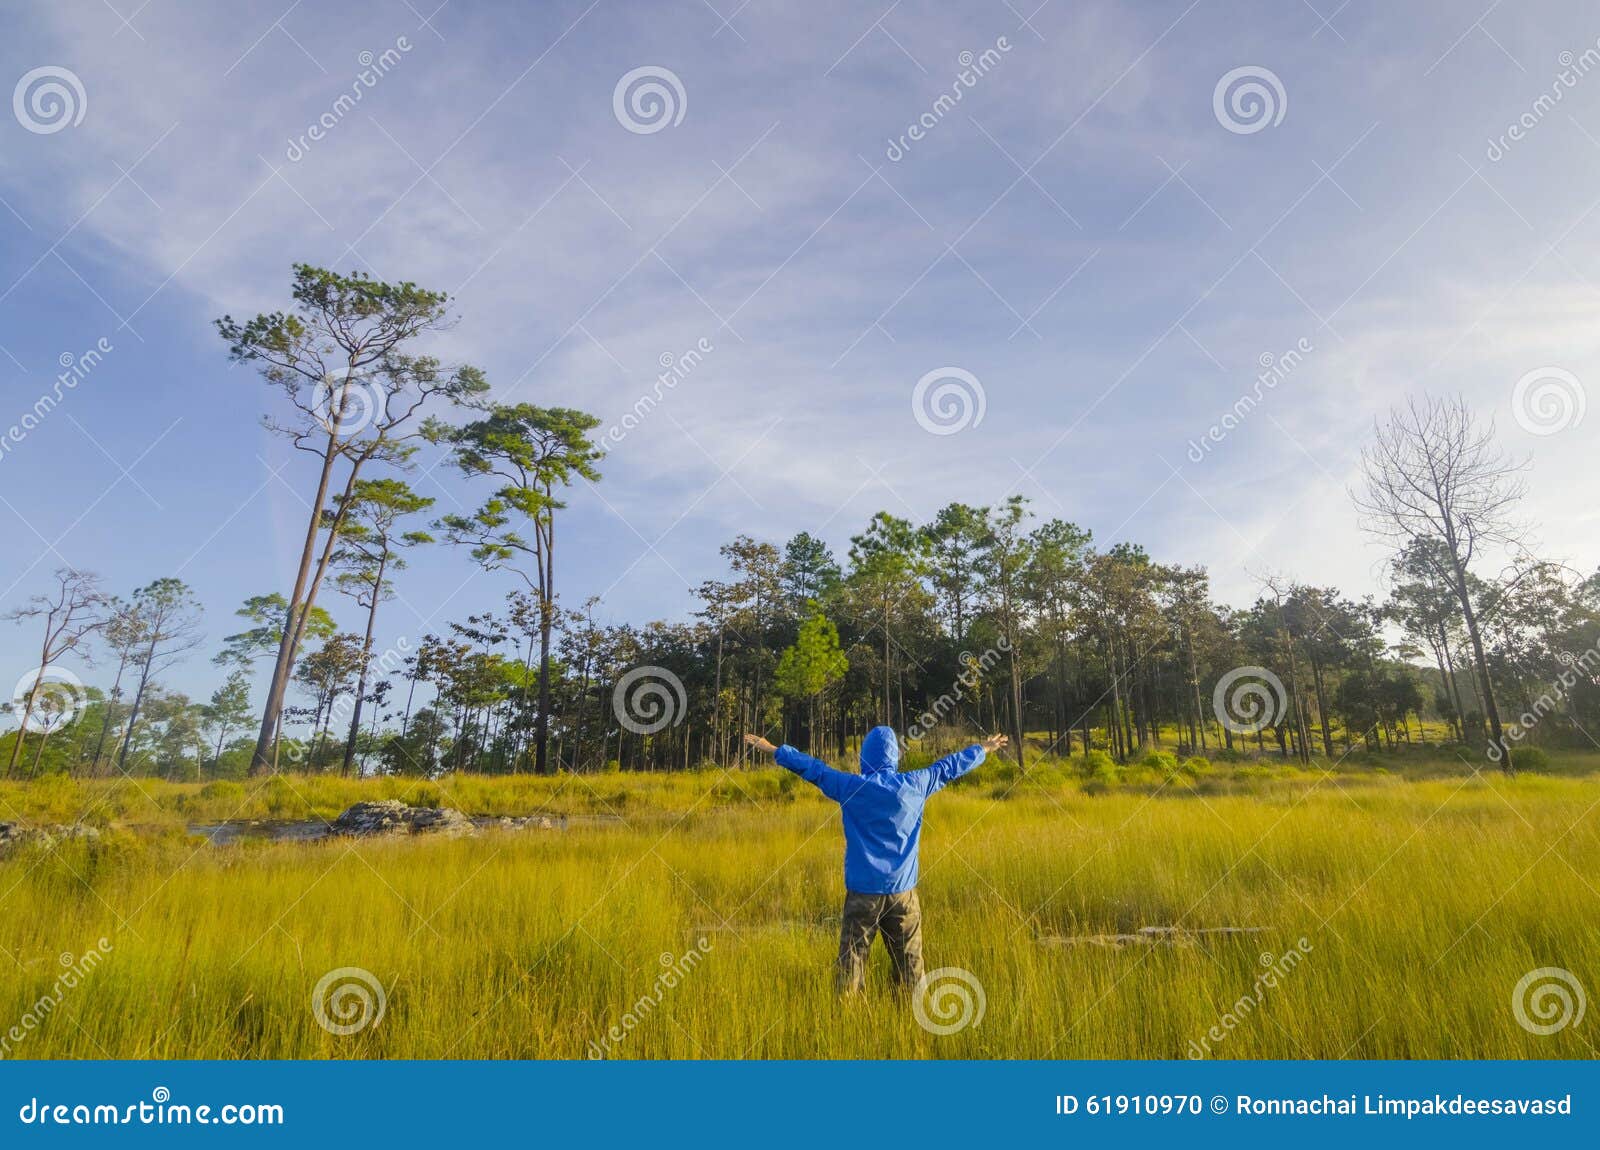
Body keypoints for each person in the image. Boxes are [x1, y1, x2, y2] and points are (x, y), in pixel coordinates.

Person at [743, 726, 1008, 994]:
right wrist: (983, 748)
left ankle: (847, 1017)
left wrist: (776, 750)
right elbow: (949, 767)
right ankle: (914, 1020)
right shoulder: (915, 784)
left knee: (852, 963)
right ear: (893, 755)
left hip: (863, 893)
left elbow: (815, 769)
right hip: (903, 893)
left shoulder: (851, 787)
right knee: (910, 965)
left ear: (865, 756)